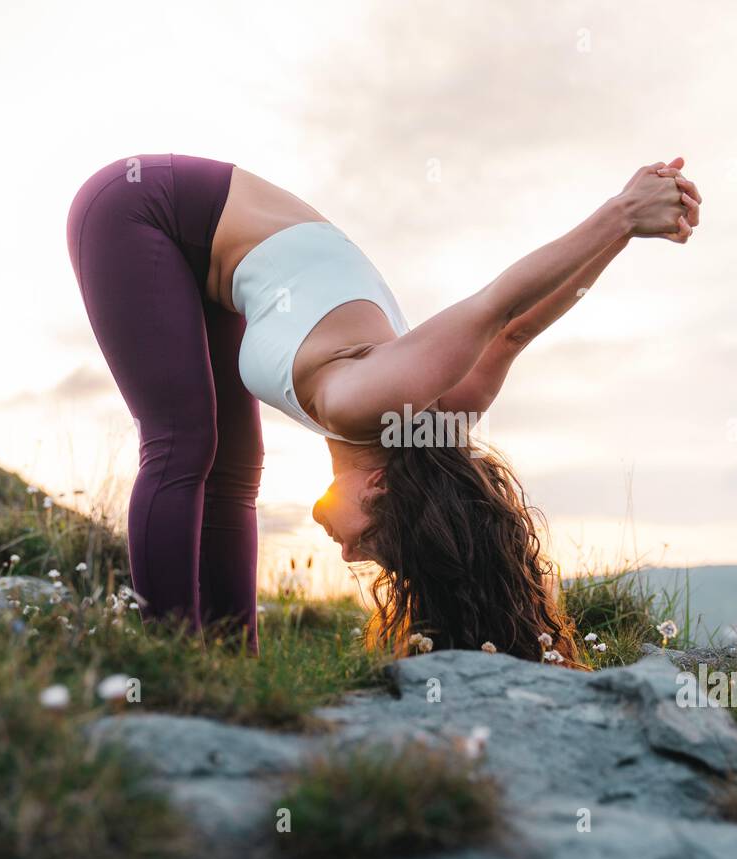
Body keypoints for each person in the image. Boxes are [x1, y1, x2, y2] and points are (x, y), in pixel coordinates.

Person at [66, 153, 700, 660]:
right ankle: (169, 663)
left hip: (207, 259)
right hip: (140, 207)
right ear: (377, 484)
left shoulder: (445, 408)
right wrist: (621, 217)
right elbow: (498, 306)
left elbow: (516, 332)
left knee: (233, 475)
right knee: (184, 443)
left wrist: (623, 237)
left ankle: (231, 665)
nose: (344, 552)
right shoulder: (362, 400)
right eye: (366, 542)